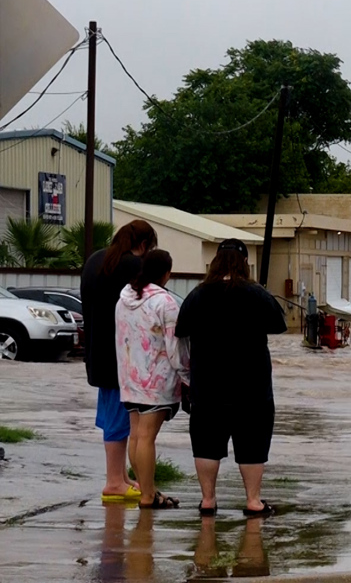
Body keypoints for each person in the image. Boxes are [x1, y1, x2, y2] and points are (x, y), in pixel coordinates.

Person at [176, 239, 287, 517]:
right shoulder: (256, 294)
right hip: (252, 388)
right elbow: (279, 325)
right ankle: (253, 501)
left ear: (214, 263)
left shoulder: (197, 295)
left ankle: (208, 500)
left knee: (206, 445)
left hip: (208, 387)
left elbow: (181, 331)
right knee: (252, 445)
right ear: (245, 264)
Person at [81, 220, 158, 502]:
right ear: (143, 245)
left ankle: (121, 477)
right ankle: (114, 481)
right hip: (123, 356)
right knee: (119, 418)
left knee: (111, 413)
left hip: (96, 352)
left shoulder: (94, 261)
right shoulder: (132, 267)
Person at [115, 249, 188, 509]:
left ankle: (149, 491)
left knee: (136, 436)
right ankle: (147, 496)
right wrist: (187, 375)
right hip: (157, 381)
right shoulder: (166, 303)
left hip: (129, 378)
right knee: (146, 438)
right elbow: (175, 347)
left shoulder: (124, 298)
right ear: (166, 273)